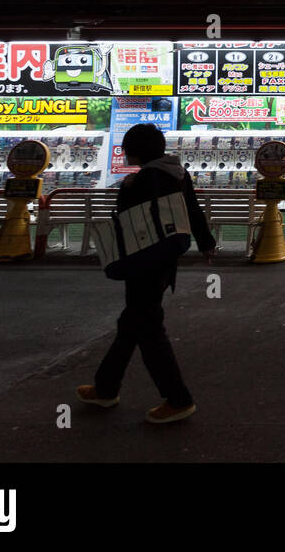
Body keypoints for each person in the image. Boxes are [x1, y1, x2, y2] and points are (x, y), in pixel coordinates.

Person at [76, 124, 217, 424]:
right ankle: (105, 387)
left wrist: (126, 189)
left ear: (136, 150)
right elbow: (192, 210)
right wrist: (206, 242)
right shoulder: (177, 173)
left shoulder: (145, 178)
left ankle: (178, 399)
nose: (124, 151)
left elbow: (130, 219)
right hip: (164, 260)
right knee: (131, 325)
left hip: (144, 262)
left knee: (148, 330)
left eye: (127, 147)